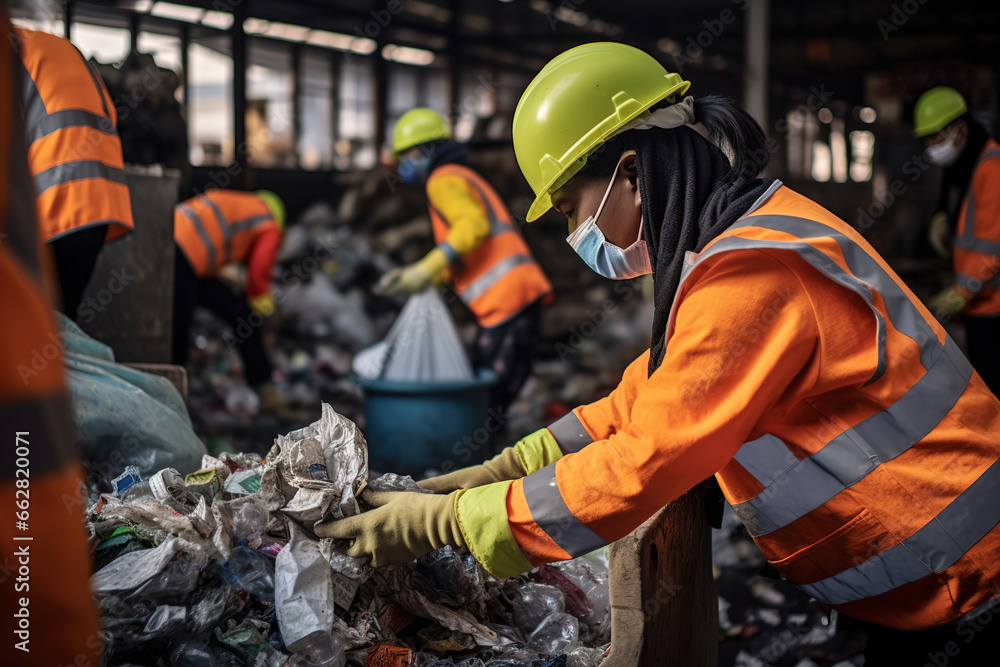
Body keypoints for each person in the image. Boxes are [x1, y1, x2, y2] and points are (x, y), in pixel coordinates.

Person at [319, 43, 1000, 665]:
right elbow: (648, 394)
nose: (573, 233)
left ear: (631, 172)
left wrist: (450, 521)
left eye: (568, 209)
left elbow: (649, 456)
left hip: (970, 585)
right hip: (925, 587)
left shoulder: (753, 276)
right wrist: (504, 466)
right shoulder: (735, 246)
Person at [1, 9, 101, 663]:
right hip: (86, 200)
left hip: (56, 194)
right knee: (57, 338)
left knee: (47, 343)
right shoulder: (38, 47)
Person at [377, 108, 553, 414]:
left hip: (508, 298)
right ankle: (487, 449)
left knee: (490, 394)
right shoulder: (461, 177)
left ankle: (487, 454)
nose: (403, 166)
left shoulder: (442, 181)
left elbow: (472, 227)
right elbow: (464, 244)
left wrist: (424, 269)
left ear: (421, 151)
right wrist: (430, 276)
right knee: (494, 387)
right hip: (511, 297)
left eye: (405, 157)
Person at [13, 26, 134, 321]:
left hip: (54, 204)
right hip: (99, 206)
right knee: (59, 325)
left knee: (28, 327)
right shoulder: (57, 47)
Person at [916, 86, 1000, 395]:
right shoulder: (969, 164)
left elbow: (992, 245)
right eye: (926, 139)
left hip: (992, 308)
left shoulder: (992, 167)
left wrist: (960, 292)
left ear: (959, 128)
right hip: (980, 307)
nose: (931, 146)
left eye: (936, 137)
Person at [171, 188, 286, 411]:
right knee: (179, 328)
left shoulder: (246, 207)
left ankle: (263, 386)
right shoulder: (269, 224)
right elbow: (258, 276)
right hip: (184, 255)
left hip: (176, 246)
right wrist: (266, 310)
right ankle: (173, 397)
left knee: (235, 313)